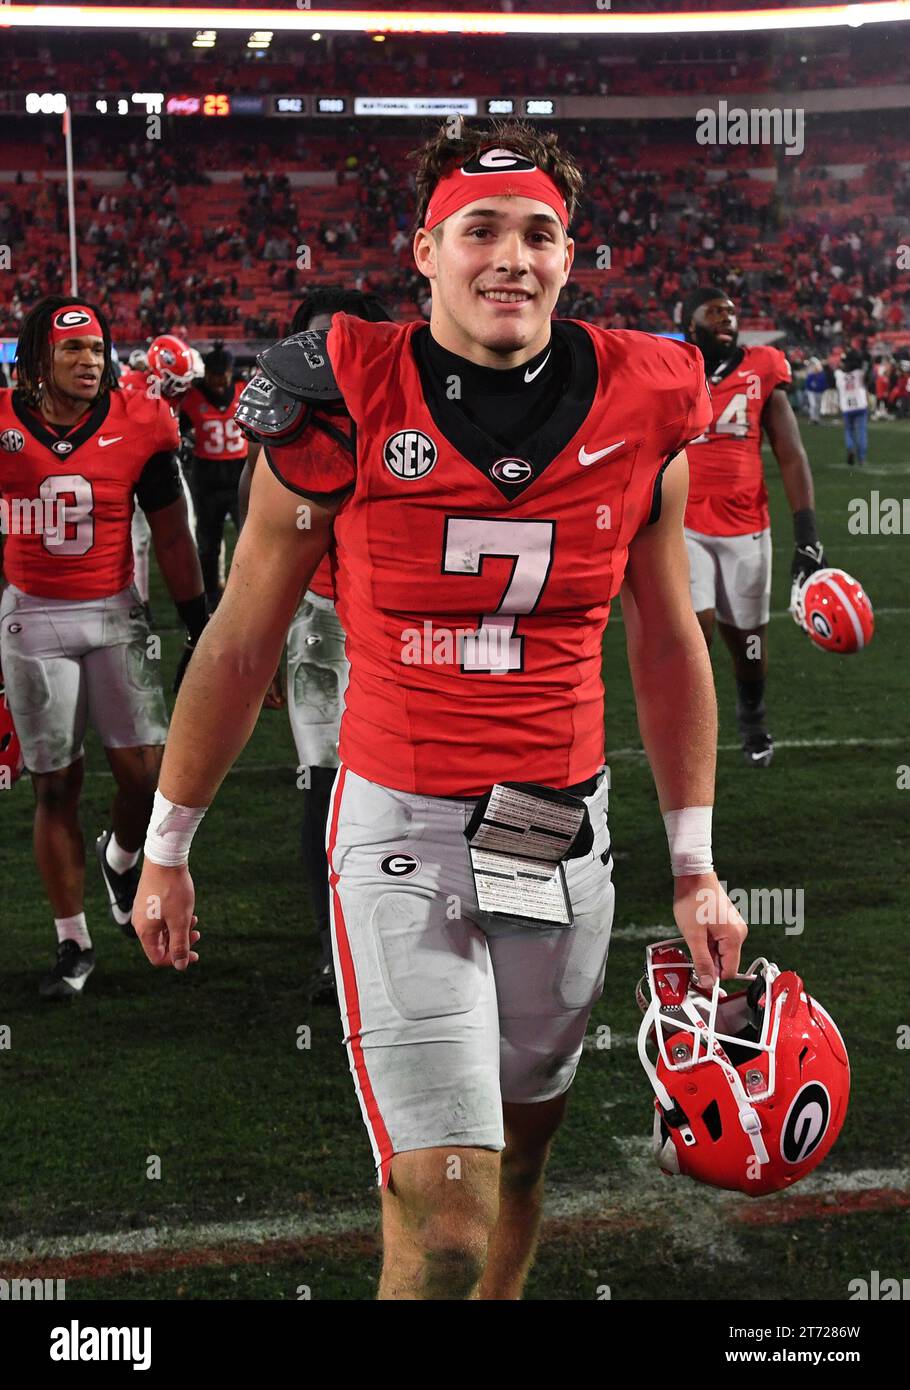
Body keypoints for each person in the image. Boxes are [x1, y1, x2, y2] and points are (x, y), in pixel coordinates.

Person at [133, 122, 746, 1301]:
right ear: (426, 249)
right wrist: (166, 846)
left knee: (518, 1162)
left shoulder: (648, 397)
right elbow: (244, 634)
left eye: (539, 234)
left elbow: (666, 641)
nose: (510, 256)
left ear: (572, 258)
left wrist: (693, 865)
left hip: (552, 823)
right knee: (448, 1202)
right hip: (399, 821)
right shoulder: (341, 393)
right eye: (480, 229)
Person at [0, 297, 207, 998]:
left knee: (146, 778)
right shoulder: (3, 424)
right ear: (37, 362)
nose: (91, 362)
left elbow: (173, 531)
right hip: (31, 614)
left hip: (117, 613)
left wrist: (198, 622)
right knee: (55, 783)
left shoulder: (141, 421)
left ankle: (121, 857)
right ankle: (72, 940)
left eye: (96, 349)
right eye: (73, 351)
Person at [237, 287, 393, 1006]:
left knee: (419, 787)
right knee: (325, 785)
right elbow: (255, 557)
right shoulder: (285, 430)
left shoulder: (415, 405)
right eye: (318, 340)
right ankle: (337, 948)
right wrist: (264, 645)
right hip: (322, 620)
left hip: (405, 623)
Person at [681, 287, 824, 767]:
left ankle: (753, 719)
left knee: (747, 641)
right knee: (693, 632)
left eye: (732, 311)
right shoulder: (675, 368)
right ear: (690, 324)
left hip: (747, 526)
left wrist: (807, 535)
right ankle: (694, 728)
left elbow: (791, 453)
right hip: (685, 526)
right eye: (714, 311)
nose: (727, 316)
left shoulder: (763, 366)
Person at [179, 344, 248, 610]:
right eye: (214, 374)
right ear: (206, 373)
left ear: (231, 373)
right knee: (208, 544)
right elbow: (179, 430)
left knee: (249, 539)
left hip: (240, 475)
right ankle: (210, 596)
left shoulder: (243, 390)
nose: (219, 381)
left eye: (224, 374)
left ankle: (246, 590)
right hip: (206, 478)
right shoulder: (192, 398)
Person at [835, 348, 870, 466]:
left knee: (849, 431)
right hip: (860, 405)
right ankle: (862, 458)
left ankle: (850, 448)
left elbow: (839, 369)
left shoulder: (839, 374)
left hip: (846, 407)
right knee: (861, 432)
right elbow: (867, 376)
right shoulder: (859, 373)